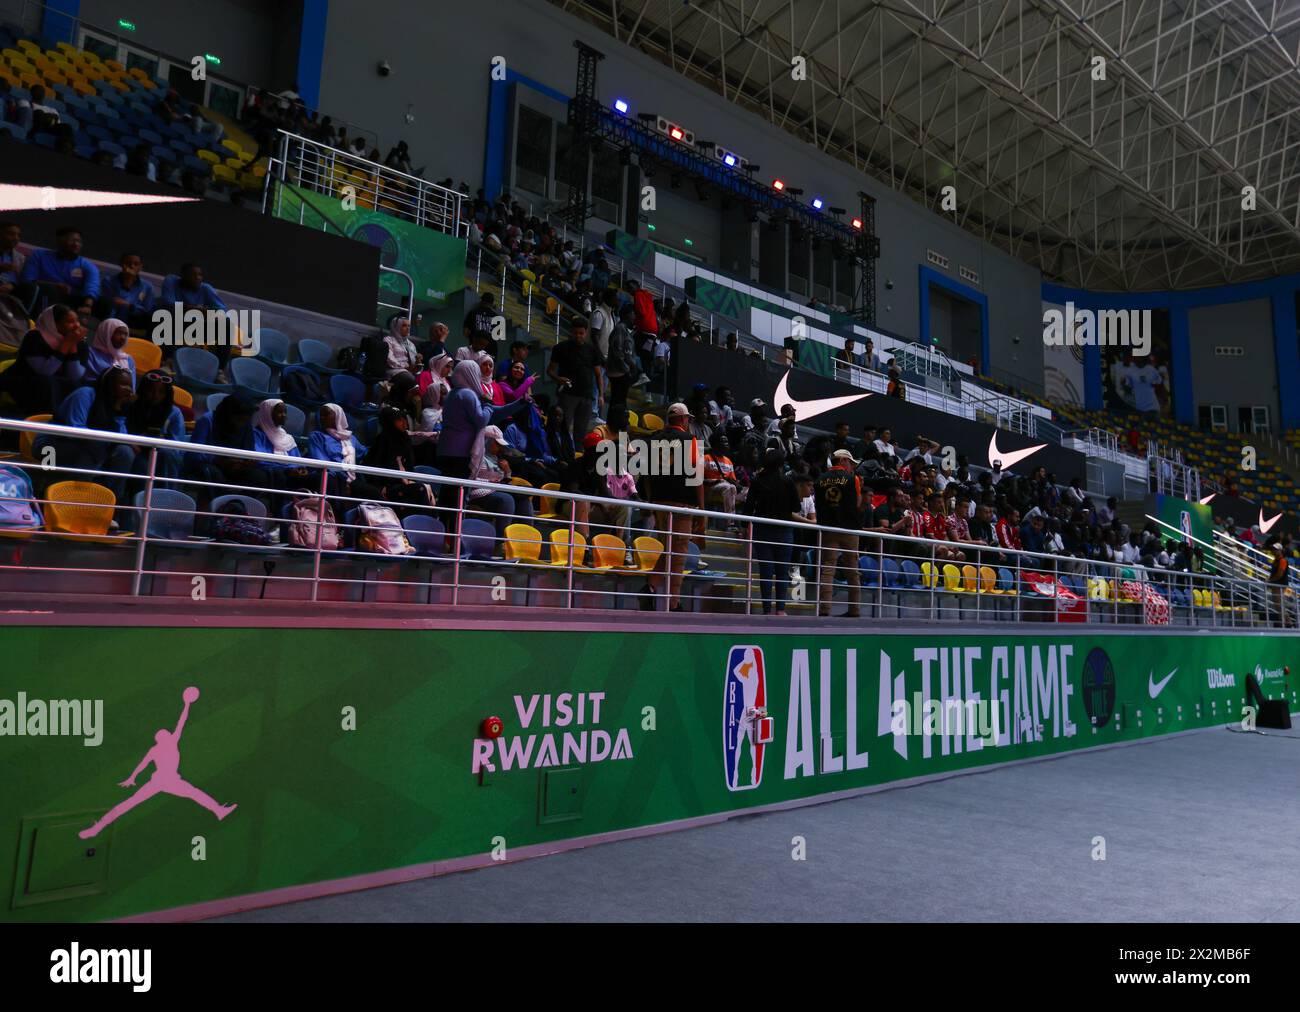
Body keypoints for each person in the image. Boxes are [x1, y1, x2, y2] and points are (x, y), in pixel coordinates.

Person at [43, 366, 137, 510]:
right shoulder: (85, 394)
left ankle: (106, 505)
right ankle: (79, 502)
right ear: (109, 383)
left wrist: (118, 409)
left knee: (125, 453)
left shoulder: (117, 405)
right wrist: (107, 440)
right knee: (95, 447)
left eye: (130, 385)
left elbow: (120, 437)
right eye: (122, 384)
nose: (127, 389)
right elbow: (75, 429)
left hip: (90, 448)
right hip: (49, 447)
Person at [437, 359, 527, 502]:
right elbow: (482, 419)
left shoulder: (453, 394)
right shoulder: (468, 394)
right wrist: (488, 405)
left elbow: (496, 412)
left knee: (447, 494)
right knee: (457, 496)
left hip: (447, 450)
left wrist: (520, 402)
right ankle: (454, 524)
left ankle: (443, 523)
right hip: (460, 453)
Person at [639, 402, 701, 612]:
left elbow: (646, 475)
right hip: (682, 503)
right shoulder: (689, 439)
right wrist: (701, 509)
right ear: (684, 420)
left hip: (659, 502)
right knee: (679, 552)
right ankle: (674, 602)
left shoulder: (653, 440)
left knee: (671, 549)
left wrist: (651, 500)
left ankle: (650, 587)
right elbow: (695, 476)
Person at [746, 448, 806, 615]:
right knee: (782, 570)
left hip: (762, 529)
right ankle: (780, 609)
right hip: (784, 530)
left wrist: (744, 525)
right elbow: (796, 507)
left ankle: (766, 609)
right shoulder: (787, 481)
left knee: (766, 570)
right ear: (781, 463)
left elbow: (748, 507)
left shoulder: (758, 480)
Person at [0, 304, 88, 415]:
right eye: (70, 322)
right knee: (47, 383)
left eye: (77, 321)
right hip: (24, 381)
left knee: (77, 386)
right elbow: (45, 372)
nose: (76, 326)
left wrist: (73, 346)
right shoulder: (34, 338)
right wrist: (65, 345)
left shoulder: (79, 343)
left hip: (54, 385)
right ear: (53, 324)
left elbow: (75, 376)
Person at [814, 449, 864, 618]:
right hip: (849, 528)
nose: (852, 467)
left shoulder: (819, 479)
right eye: (850, 463)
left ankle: (824, 609)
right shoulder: (852, 479)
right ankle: (855, 610)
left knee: (828, 567)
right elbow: (857, 502)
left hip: (828, 528)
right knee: (852, 569)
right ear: (843, 461)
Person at [16, 227, 100, 317]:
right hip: (43, 294)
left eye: (79, 241)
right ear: (60, 241)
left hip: (72, 299)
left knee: (104, 302)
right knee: (49, 290)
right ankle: (38, 322)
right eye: (72, 240)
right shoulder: (39, 255)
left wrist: (87, 305)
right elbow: (27, 279)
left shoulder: (87, 265)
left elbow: (92, 286)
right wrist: (55, 286)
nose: (76, 244)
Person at [547, 319, 605, 442]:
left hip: (586, 395)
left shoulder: (592, 350)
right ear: (571, 332)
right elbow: (550, 371)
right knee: (564, 426)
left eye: (581, 333)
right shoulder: (560, 348)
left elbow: (598, 374)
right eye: (575, 333)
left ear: (586, 333)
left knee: (582, 430)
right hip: (567, 394)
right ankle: (561, 452)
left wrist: (601, 395)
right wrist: (558, 379)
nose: (578, 336)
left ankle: (578, 453)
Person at [307, 404, 379, 501]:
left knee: (374, 492)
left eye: (326, 414)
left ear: (338, 416)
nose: (322, 417)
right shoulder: (317, 436)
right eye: (321, 415)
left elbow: (365, 453)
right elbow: (321, 462)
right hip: (332, 476)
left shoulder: (350, 438)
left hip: (351, 478)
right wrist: (344, 479)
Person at [94, 252, 156, 329]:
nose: (132, 266)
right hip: (110, 321)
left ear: (140, 267)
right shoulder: (108, 281)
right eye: (128, 263)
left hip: (135, 323)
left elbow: (147, 311)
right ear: (122, 264)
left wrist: (129, 305)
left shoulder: (148, 287)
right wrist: (128, 281)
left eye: (136, 264)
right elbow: (110, 303)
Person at [85, 318, 136, 387]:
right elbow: (87, 381)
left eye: (125, 334)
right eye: (119, 333)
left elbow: (131, 387)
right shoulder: (89, 353)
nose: (123, 338)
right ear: (106, 333)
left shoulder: (128, 359)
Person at [381, 314, 421, 379]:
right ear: (396, 326)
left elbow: (413, 364)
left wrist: (418, 361)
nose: (408, 328)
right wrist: (405, 367)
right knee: (408, 378)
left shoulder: (411, 344)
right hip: (394, 370)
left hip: (408, 372)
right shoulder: (388, 340)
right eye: (404, 325)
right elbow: (390, 360)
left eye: (409, 326)